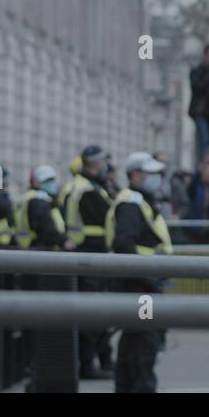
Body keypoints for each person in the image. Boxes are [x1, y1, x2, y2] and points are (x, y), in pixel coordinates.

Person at [106, 152, 173, 393]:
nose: (158, 178)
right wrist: (150, 279)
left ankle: (127, 388)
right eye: (152, 174)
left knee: (133, 343)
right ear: (135, 175)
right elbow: (124, 244)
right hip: (139, 284)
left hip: (139, 282)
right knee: (144, 344)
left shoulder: (139, 200)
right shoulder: (131, 203)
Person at [65, 145, 114, 378]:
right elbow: (109, 216)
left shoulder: (77, 186)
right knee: (93, 314)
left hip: (83, 255)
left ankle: (95, 361)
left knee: (92, 312)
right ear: (95, 163)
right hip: (92, 256)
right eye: (104, 162)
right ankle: (89, 365)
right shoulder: (89, 190)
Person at [14, 165, 73, 251]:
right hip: (38, 247)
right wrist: (63, 241)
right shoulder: (38, 200)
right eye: (47, 181)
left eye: (52, 180)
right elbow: (44, 228)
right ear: (36, 183)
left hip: (31, 247)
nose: (52, 183)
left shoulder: (32, 197)